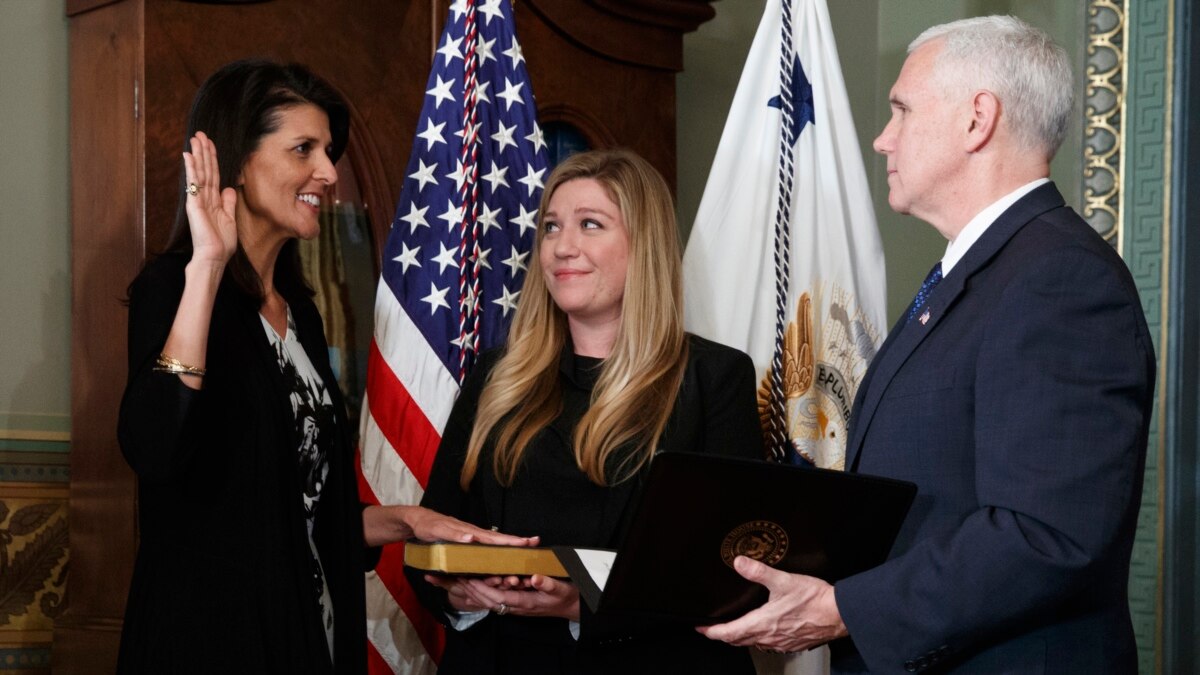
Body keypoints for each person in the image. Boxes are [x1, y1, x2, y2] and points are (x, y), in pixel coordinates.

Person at [699, 15, 1155, 674]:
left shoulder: (1060, 278)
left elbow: (1046, 533)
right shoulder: (983, 272)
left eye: (901, 111)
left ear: (978, 120)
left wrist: (846, 609)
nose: (883, 139)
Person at [116, 59, 532, 674]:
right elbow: (154, 448)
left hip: (310, 634)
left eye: (329, 151)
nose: (328, 173)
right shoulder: (173, 289)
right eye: (303, 148)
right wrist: (206, 266)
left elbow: (305, 510)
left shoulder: (302, 314)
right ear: (238, 158)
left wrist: (409, 522)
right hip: (210, 641)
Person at [410, 149, 763, 674]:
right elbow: (431, 534)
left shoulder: (713, 378)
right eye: (551, 227)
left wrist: (582, 605)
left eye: (590, 224)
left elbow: (732, 574)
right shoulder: (496, 375)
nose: (562, 247)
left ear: (644, 246)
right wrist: (458, 595)